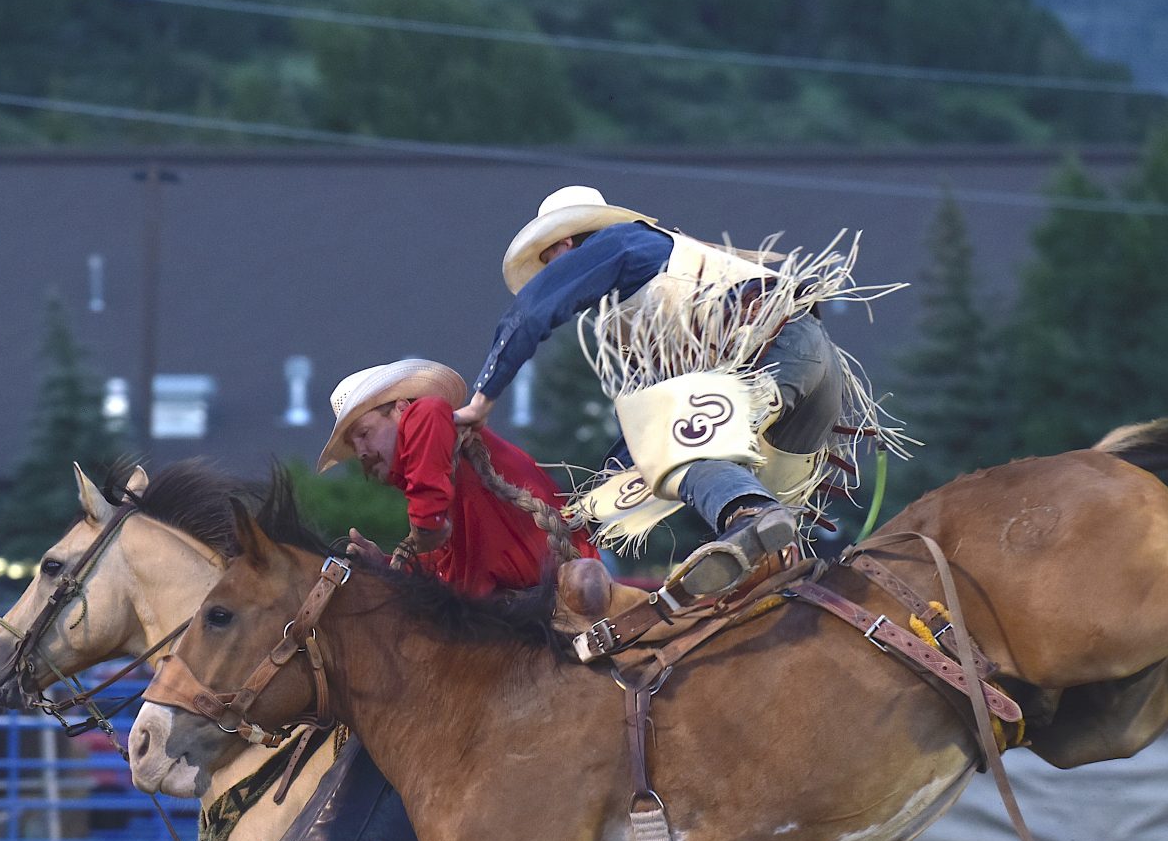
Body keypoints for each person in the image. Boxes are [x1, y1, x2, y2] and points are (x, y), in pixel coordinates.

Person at [454, 184, 873, 597]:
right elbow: (648, 429)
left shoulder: (615, 243)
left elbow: (531, 311)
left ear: (566, 244)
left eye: (552, 265)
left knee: (692, 454)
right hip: (813, 365)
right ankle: (789, 574)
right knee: (759, 504)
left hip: (767, 356)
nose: (554, 278)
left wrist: (481, 401)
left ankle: (753, 517)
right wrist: (591, 508)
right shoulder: (658, 278)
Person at [317, 357, 594, 597]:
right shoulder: (442, 476)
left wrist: (427, 522)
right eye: (355, 447)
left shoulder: (423, 416)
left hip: (552, 599)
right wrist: (387, 564)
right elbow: (449, 567)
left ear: (402, 408)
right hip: (533, 607)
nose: (362, 453)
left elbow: (429, 410)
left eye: (364, 434)